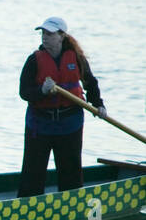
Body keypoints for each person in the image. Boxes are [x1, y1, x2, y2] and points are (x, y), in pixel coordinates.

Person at [17, 17, 106, 196]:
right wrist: (42, 91)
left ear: (62, 36)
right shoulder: (34, 60)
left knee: (71, 171)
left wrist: (99, 105)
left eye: (50, 34)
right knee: (33, 172)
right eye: (43, 33)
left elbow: (90, 83)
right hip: (40, 123)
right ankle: (27, 206)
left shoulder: (76, 58)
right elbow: (24, 92)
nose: (44, 37)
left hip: (70, 122)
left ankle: (71, 205)